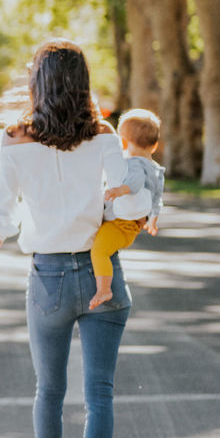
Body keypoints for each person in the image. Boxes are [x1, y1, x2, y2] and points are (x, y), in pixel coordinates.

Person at [0, 39, 129, 438]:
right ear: (83, 83)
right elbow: (123, 201)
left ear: (38, 83)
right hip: (101, 271)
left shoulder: (15, 139)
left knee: (50, 390)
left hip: (48, 277)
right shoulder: (103, 135)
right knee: (99, 392)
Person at [89, 109, 165, 310]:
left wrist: (121, 189)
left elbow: (136, 181)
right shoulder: (155, 169)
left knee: (99, 252)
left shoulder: (133, 164)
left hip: (119, 224)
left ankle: (104, 289)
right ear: (155, 145)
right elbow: (157, 197)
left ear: (122, 143)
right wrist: (153, 219)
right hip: (130, 226)